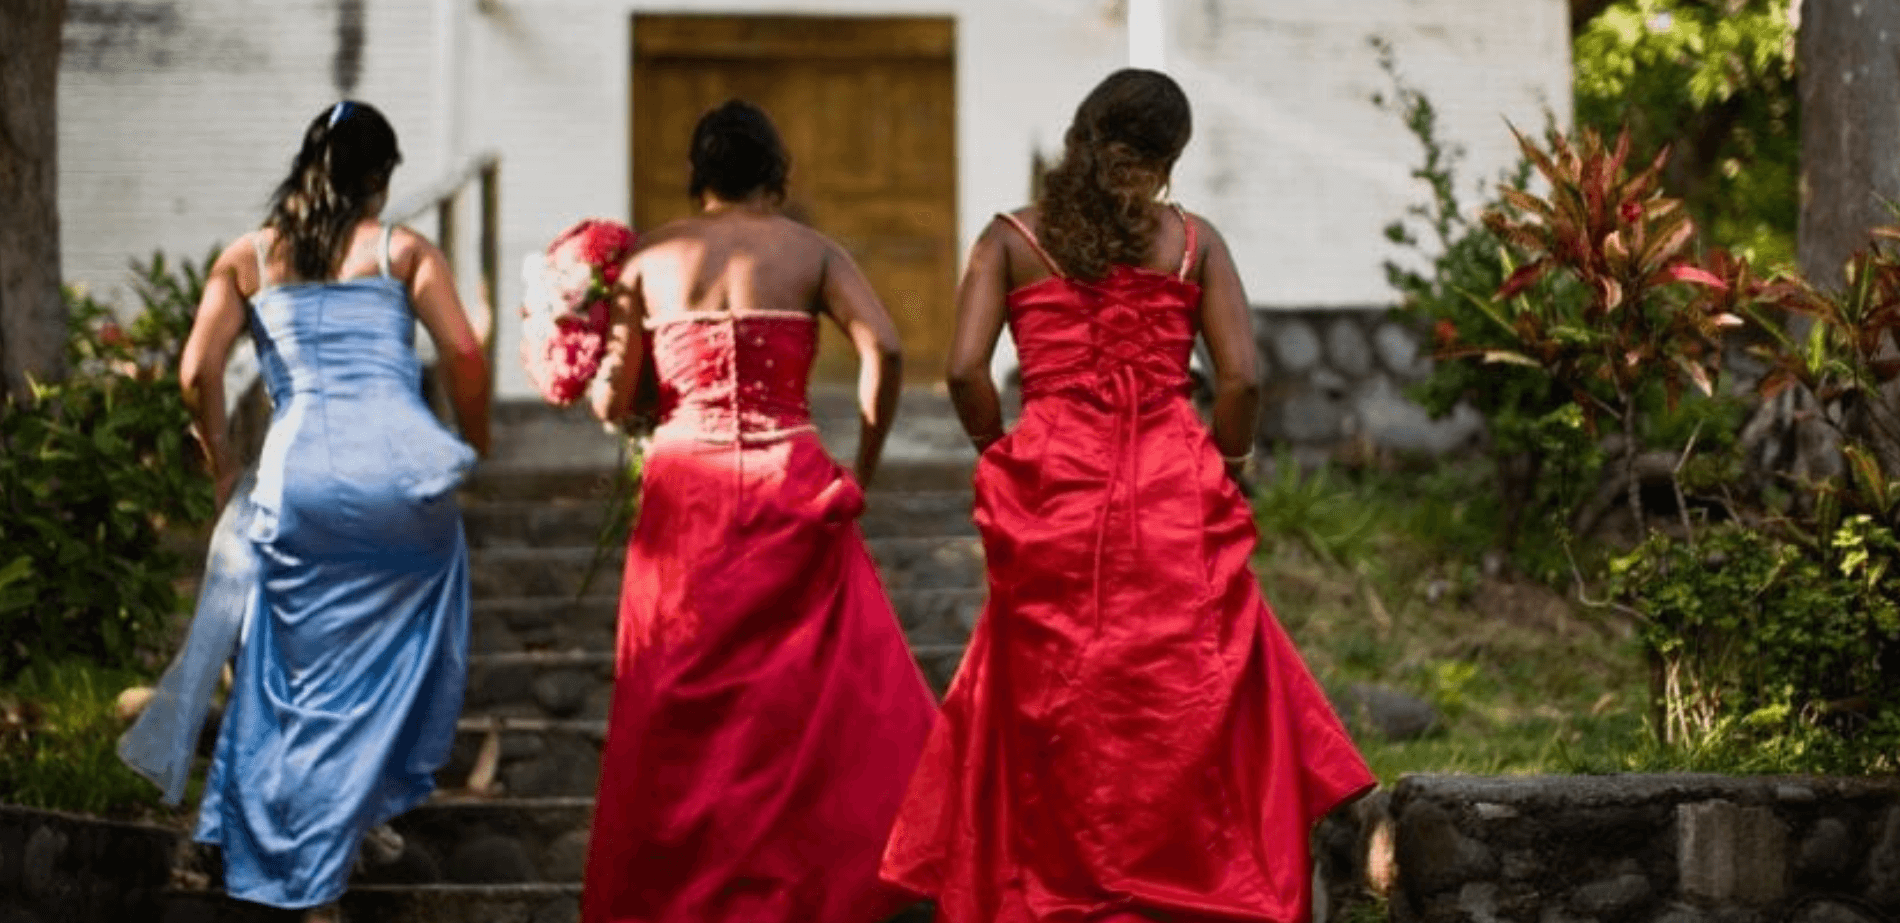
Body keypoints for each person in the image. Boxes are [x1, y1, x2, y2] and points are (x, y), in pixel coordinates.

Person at [880, 70, 1377, 923]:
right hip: (1172, 477)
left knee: (1049, 692)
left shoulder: (1010, 238)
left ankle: (1050, 890)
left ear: (1081, 133)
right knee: (1186, 689)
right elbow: (1243, 378)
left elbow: (964, 369)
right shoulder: (1194, 241)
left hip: (1050, 481)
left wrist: (994, 447)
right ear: (1169, 157)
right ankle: (1202, 877)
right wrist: (1232, 459)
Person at [125, 100, 491, 922]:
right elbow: (464, 352)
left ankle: (287, 842)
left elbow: (195, 370)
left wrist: (223, 462)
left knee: (285, 668)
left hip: (299, 483)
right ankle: (356, 811)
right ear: (376, 179)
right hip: (402, 479)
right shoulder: (402, 249)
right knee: (400, 644)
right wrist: (478, 437)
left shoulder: (248, 257)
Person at [581, 99, 937, 923]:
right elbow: (884, 346)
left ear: (698, 174)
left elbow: (618, 398)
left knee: (676, 702)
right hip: (791, 480)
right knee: (800, 707)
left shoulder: (652, 257)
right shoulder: (811, 250)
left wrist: (581, 365)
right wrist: (864, 465)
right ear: (776, 172)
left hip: (684, 493)